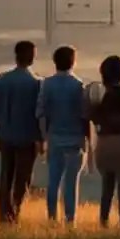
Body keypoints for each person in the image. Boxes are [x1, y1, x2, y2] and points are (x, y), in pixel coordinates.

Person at [0, 40, 43, 225]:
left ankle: (4, 216)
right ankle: (15, 212)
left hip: (6, 135)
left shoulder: (2, 80)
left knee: (6, 177)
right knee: (23, 178)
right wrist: (42, 137)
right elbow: (39, 113)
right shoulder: (36, 83)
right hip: (28, 137)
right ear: (31, 57)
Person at [36, 45, 89, 226]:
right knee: (71, 183)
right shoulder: (78, 85)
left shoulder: (47, 84)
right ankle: (70, 220)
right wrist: (86, 140)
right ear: (73, 62)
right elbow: (84, 115)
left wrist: (43, 137)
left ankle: (51, 218)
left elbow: (41, 112)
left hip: (55, 138)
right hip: (74, 139)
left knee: (53, 181)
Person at [87, 55, 120, 229]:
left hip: (103, 143)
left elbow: (93, 117)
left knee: (106, 187)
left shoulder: (100, 94)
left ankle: (103, 221)